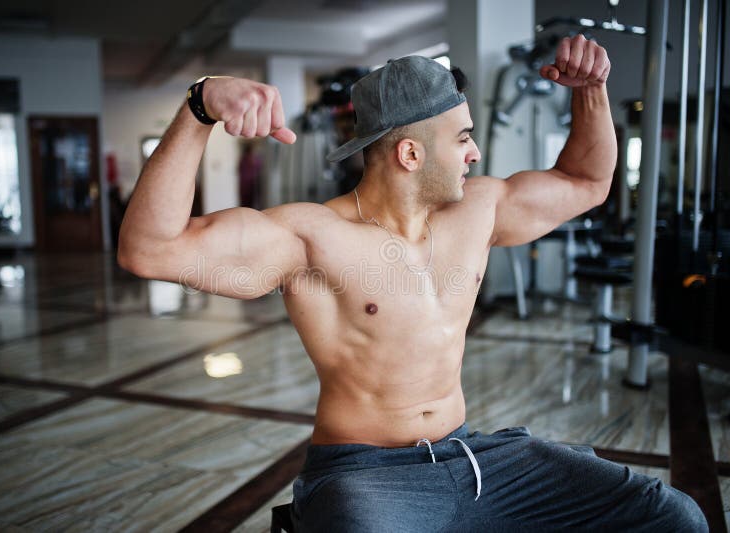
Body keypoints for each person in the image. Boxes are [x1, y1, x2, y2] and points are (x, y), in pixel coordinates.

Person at [118, 35, 708, 532]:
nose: (476, 153)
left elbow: (586, 181)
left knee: (673, 518)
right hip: (365, 476)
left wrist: (591, 92)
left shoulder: (478, 211)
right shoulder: (312, 237)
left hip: (476, 457)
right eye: (462, 138)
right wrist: (200, 108)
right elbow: (149, 250)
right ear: (409, 154)